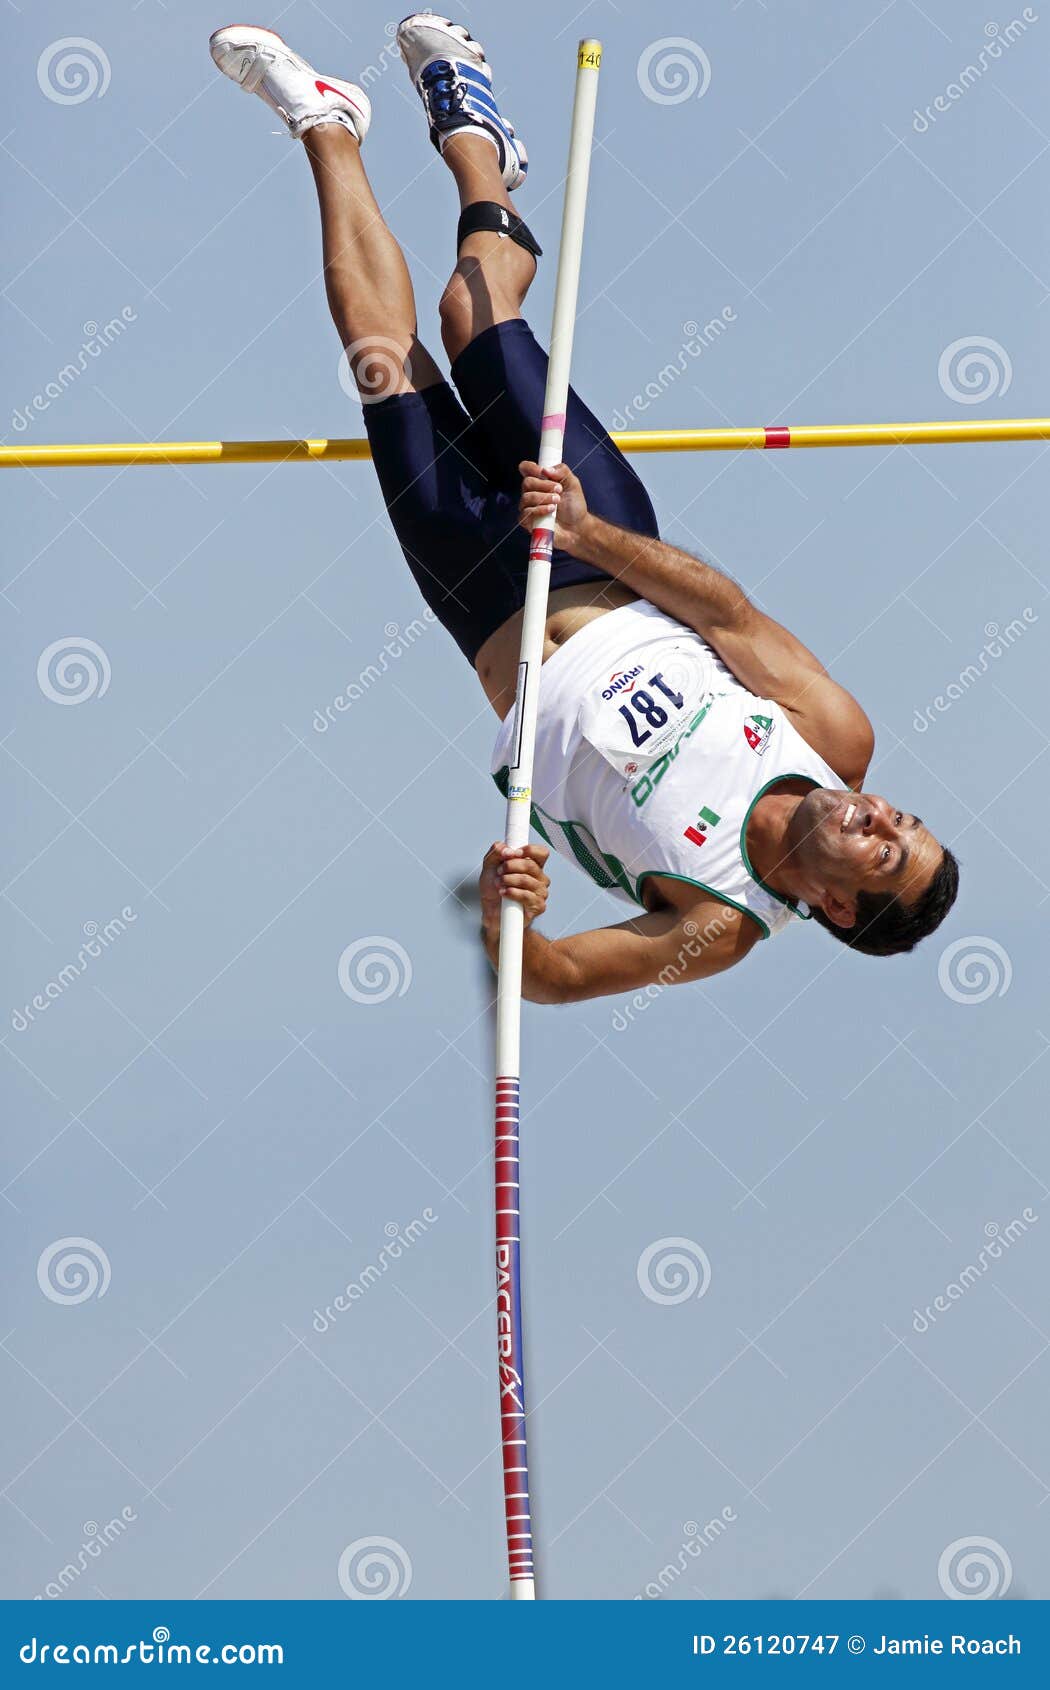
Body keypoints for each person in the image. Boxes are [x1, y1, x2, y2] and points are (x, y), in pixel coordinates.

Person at [210, 13, 959, 1005]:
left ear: (839, 908)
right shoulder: (832, 736)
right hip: (602, 554)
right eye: (902, 819)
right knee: (472, 315)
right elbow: (726, 616)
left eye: (885, 852)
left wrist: (501, 914)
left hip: (489, 621)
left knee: (382, 360)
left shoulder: (718, 919)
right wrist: (588, 528)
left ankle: (325, 127)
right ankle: (476, 142)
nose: (881, 816)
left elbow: (552, 979)